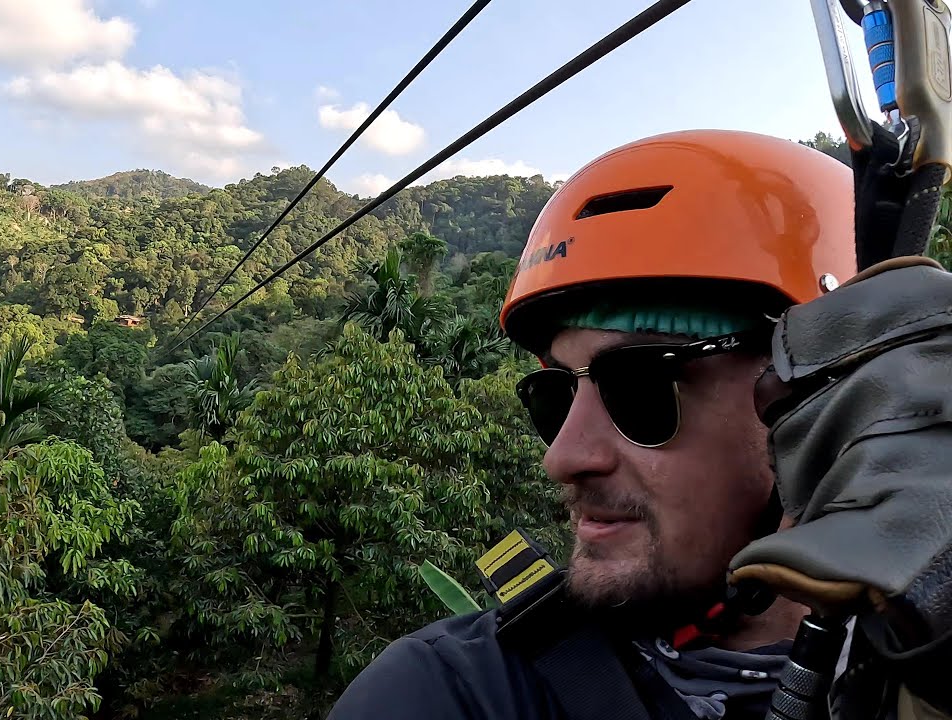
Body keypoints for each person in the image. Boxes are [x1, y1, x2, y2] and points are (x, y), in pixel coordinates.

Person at [326, 129, 952, 720]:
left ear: (825, 407)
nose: (563, 456)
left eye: (640, 387)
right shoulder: (452, 692)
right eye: (555, 395)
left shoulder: (922, 671)